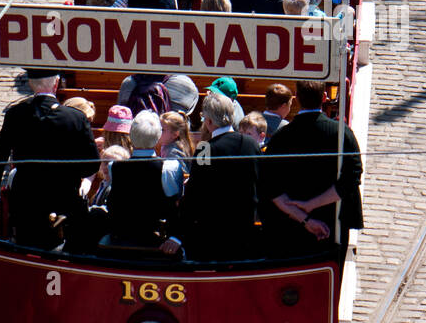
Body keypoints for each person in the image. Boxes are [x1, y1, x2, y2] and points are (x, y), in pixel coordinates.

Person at [0, 70, 100, 249]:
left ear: (30, 83)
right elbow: (91, 166)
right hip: (65, 203)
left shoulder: (15, 114)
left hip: (27, 204)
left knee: (29, 254)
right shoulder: (75, 118)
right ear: (56, 84)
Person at [260, 79, 363, 255]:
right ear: (324, 97)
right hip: (332, 225)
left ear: (297, 97)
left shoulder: (281, 137)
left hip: (291, 226)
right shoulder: (341, 133)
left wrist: (305, 218)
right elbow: (351, 178)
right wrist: (310, 205)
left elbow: (270, 187)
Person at [159, 91, 261, 260]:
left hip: (213, 237)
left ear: (208, 121)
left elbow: (195, 194)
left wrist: (177, 235)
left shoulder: (205, 148)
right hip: (245, 230)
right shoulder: (251, 144)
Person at [107, 112, 185, 249]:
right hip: (136, 240)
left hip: (151, 241)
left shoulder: (114, 166)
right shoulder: (169, 167)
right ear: (157, 136)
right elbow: (176, 206)